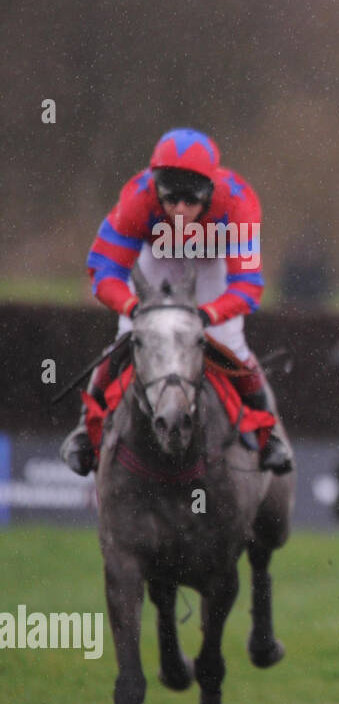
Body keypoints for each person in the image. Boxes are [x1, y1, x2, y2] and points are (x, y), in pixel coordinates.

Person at [61, 128, 291, 475]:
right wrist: (133, 308)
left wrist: (209, 314)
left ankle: (267, 433)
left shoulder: (239, 201)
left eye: (191, 200)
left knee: (231, 343)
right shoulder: (137, 196)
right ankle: (84, 430)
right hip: (158, 259)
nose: (180, 211)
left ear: (212, 191)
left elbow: (247, 286)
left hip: (212, 266)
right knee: (128, 338)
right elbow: (105, 269)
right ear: (156, 188)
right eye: (171, 199)